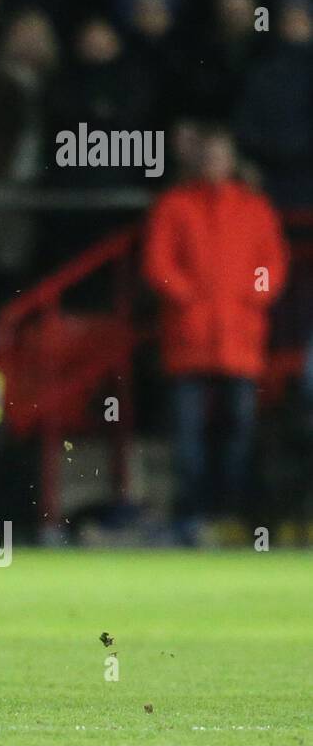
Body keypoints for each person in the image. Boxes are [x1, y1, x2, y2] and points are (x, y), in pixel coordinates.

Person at [142, 126, 289, 545]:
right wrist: (191, 298)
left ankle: (230, 514)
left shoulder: (254, 208)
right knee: (188, 435)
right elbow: (158, 265)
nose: (213, 165)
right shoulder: (175, 206)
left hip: (239, 338)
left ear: (231, 161)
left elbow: (271, 266)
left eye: (220, 157)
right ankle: (193, 515)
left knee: (238, 432)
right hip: (190, 338)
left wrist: (249, 299)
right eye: (207, 157)